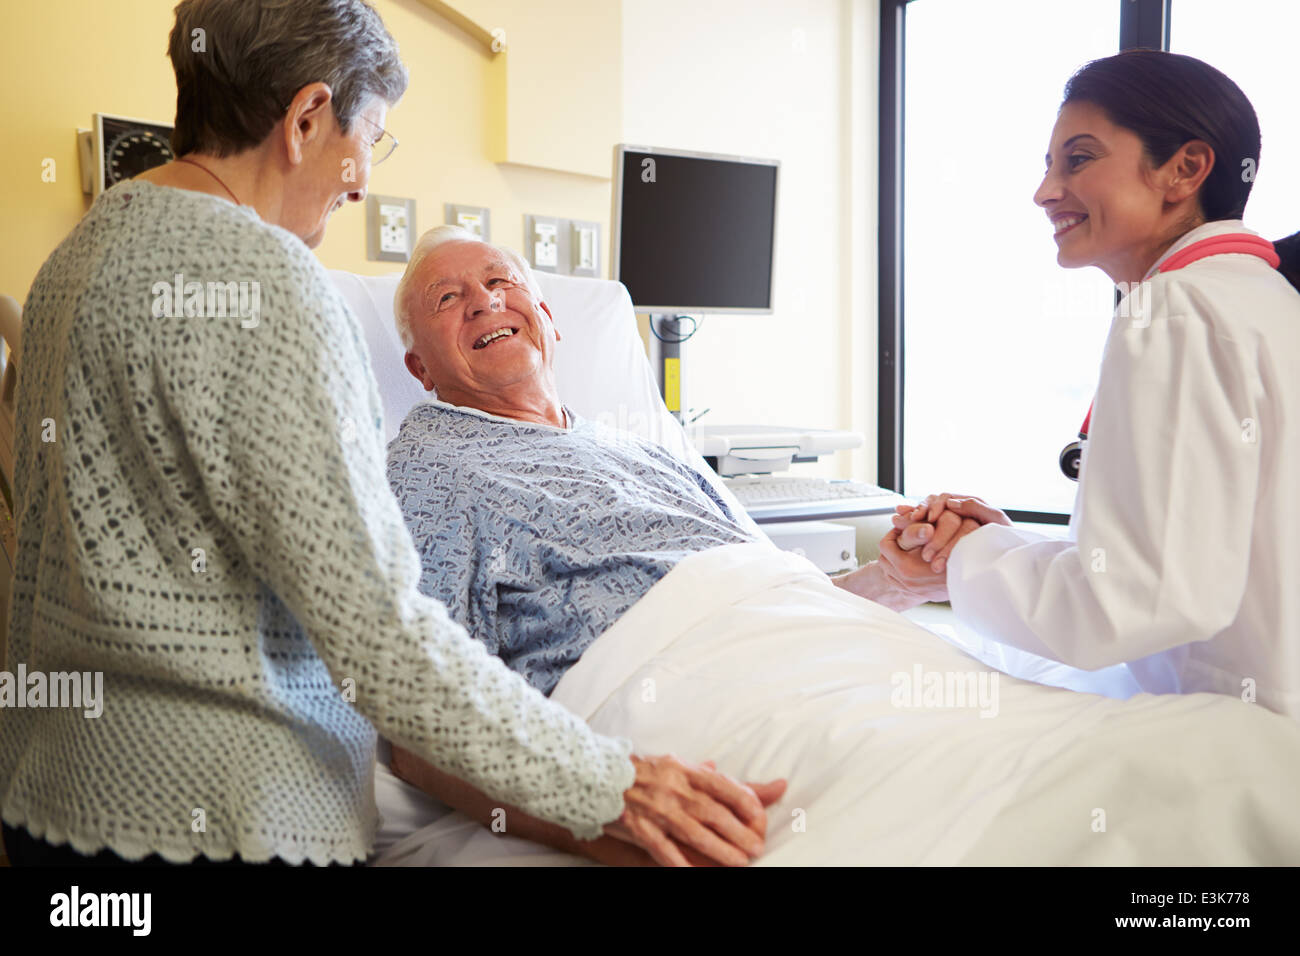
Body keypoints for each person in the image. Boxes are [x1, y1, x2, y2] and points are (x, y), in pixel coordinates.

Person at [0, 0, 780, 870]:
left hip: (52, 805)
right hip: (223, 817)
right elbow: (379, 636)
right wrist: (613, 787)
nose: (363, 180)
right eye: (368, 137)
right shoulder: (273, 287)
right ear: (305, 119)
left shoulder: (72, 261)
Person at [837, 50, 1300, 719]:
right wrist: (1005, 548)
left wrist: (965, 558)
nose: (1046, 190)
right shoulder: (1262, 301)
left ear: (1185, 170)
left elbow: (1140, 600)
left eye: (1077, 159)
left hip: (1224, 737)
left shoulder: (1172, 310)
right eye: (1048, 164)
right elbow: (1193, 553)